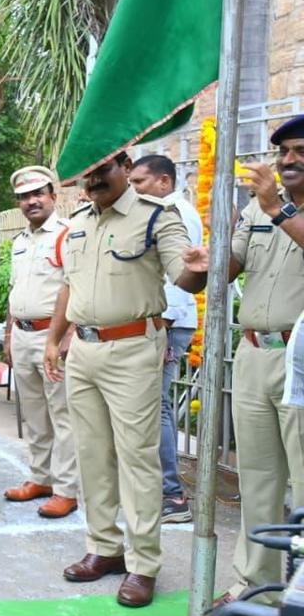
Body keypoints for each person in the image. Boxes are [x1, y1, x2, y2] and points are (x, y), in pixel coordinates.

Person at [43, 151, 208, 608]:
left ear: (124, 165)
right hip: (84, 350)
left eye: (104, 170)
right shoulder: (78, 222)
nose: (94, 180)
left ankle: (143, 565)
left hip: (134, 348)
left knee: (137, 459)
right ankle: (105, 548)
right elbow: (69, 286)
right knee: (92, 455)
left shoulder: (157, 217)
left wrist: (198, 266)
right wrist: (54, 339)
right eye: (88, 172)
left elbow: (184, 274)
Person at [215, 116, 304, 606]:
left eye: (300, 150)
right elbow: (228, 269)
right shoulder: (256, 208)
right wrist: (207, 257)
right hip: (253, 353)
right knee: (258, 478)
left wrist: (275, 206)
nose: (288, 160)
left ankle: (300, 597)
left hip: (301, 355)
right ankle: (256, 587)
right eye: (283, 152)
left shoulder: (271, 204)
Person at [1, 166, 79, 519]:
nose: (31, 201)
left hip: (54, 337)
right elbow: (14, 291)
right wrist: (8, 334)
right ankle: (40, 478)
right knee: (33, 414)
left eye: (38, 194)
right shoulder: (20, 242)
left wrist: (68, 335)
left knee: (63, 415)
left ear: (53, 196)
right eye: (24, 197)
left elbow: (78, 286)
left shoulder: (67, 235)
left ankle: (66, 489)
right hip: (22, 333)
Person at [128, 154, 203, 524]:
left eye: (140, 182)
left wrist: (161, 328)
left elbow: (179, 272)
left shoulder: (174, 213)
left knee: (157, 408)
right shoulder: (156, 211)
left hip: (168, 323)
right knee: (149, 407)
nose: (133, 189)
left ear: (164, 181)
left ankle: (172, 496)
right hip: (160, 321)